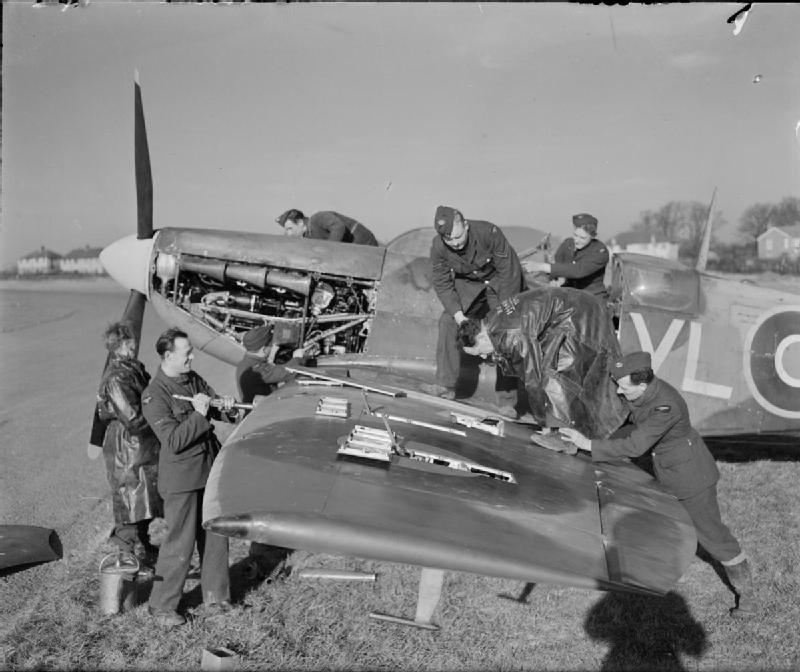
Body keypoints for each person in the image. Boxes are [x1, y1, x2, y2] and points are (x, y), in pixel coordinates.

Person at [559, 351, 758, 619]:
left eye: (623, 386)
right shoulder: (642, 393)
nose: (618, 391)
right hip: (670, 469)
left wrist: (589, 445)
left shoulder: (666, 406)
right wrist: (586, 445)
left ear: (642, 384)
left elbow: (636, 444)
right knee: (661, 522)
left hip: (690, 477)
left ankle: (749, 595)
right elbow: (625, 422)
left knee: (713, 536)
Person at [142, 328, 238, 628]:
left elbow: (214, 405)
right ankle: (161, 607)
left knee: (215, 537)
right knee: (179, 545)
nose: (192, 356)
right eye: (187, 352)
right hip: (181, 480)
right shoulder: (153, 394)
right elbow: (172, 440)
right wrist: (199, 414)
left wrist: (227, 409)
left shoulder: (193, 379)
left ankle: (217, 600)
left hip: (208, 472)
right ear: (168, 355)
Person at [459, 287, 627, 438]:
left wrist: (543, 421)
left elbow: (533, 377)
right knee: (556, 369)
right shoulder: (492, 318)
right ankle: (567, 428)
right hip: (578, 306)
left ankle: (562, 436)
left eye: (479, 351)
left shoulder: (510, 335)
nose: (482, 357)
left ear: (481, 336)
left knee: (555, 373)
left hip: (580, 314)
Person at [423, 205, 524, 404]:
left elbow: (510, 274)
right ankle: (445, 385)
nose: (455, 244)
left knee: (507, 331)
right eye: (449, 239)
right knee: (447, 322)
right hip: (470, 287)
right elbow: (442, 283)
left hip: (499, 285)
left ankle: (507, 400)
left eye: (458, 237)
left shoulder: (489, 233)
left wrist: (502, 316)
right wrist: (459, 316)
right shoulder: (438, 247)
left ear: (466, 226)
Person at [96, 321, 162, 567]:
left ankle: (144, 552)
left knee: (141, 501)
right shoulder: (117, 376)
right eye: (131, 339)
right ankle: (125, 561)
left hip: (138, 446)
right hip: (128, 447)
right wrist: (162, 422)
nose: (135, 343)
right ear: (124, 344)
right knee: (129, 502)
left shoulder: (129, 368)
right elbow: (132, 418)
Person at [523, 213, 609, 299]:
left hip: (591, 298)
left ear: (593, 236)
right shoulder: (568, 244)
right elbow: (558, 264)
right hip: (568, 295)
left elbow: (578, 270)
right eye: (575, 235)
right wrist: (556, 280)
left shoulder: (600, 251)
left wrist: (541, 266)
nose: (577, 240)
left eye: (582, 238)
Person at [235, 324, 316, 405]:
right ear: (264, 349)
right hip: (263, 413)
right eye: (271, 345)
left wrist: (272, 353)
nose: (272, 346)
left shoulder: (244, 363)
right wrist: (298, 358)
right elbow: (287, 372)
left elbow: (268, 369)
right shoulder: (256, 370)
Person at [275, 209, 379, 246]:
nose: (288, 234)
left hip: (363, 243)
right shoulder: (309, 236)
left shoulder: (318, 218)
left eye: (290, 229)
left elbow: (338, 226)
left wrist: (329, 250)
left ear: (300, 222)